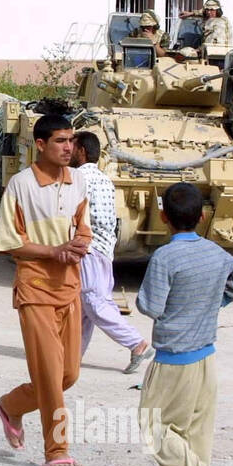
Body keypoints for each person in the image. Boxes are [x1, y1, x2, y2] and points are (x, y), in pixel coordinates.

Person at [137, 181, 233, 466]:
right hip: (206, 357)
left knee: (154, 431)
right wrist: (218, 300)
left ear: (163, 217)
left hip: (174, 360)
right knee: (195, 436)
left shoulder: (165, 256)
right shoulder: (215, 252)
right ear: (203, 216)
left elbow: (151, 306)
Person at [0, 114, 92, 466]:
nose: (69, 147)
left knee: (68, 375)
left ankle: (12, 405)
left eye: (71, 140)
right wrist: (53, 252)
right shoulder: (20, 185)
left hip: (69, 288)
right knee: (51, 375)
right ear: (39, 145)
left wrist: (76, 246)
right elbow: (8, 241)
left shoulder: (78, 181)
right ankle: (57, 449)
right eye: (61, 141)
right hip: (34, 289)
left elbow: (84, 229)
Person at [70, 131, 153, 374]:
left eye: (72, 147)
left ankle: (137, 344)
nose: (67, 151)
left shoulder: (78, 177)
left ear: (82, 151)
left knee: (94, 302)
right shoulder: (104, 178)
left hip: (88, 247)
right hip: (104, 249)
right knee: (84, 306)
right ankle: (72, 357)